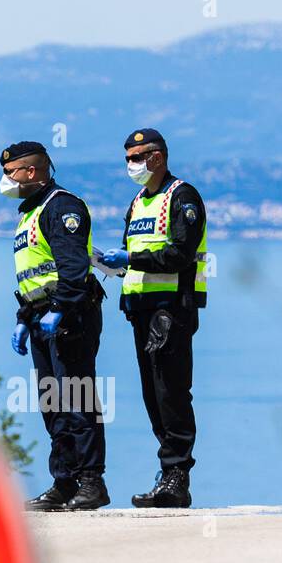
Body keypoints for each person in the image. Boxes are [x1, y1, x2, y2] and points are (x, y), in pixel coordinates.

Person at [98, 129, 207, 508]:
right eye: (128, 157)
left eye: (138, 157)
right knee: (152, 394)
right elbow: (133, 253)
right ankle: (167, 474)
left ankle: (178, 476)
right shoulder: (139, 203)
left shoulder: (182, 197)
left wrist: (130, 260)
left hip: (171, 308)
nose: (132, 165)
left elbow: (180, 254)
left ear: (158, 157)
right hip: (141, 309)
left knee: (171, 390)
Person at [1, 140, 109, 511]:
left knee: (77, 398)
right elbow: (34, 275)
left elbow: (73, 266)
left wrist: (61, 308)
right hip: (39, 318)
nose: (5, 179)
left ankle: (92, 482)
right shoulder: (28, 213)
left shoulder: (61, 206)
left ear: (31, 171)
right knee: (53, 404)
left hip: (69, 316)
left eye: (10, 172)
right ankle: (63, 482)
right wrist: (23, 319)